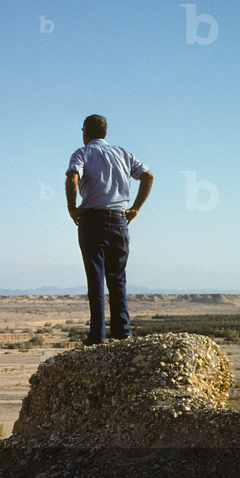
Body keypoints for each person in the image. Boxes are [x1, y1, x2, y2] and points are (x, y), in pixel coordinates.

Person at [65, 115, 153, 346]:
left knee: (95, 279)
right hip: (119, 221)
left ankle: (97, 336)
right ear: (105, 133)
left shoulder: (82, 153)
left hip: (92, 220)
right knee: (117, 278)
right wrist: (135, 208)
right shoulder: (123, 153)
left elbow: (73, 179)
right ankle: (122, 332)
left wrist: (72, 208)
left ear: (85, 133)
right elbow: (147, 176)